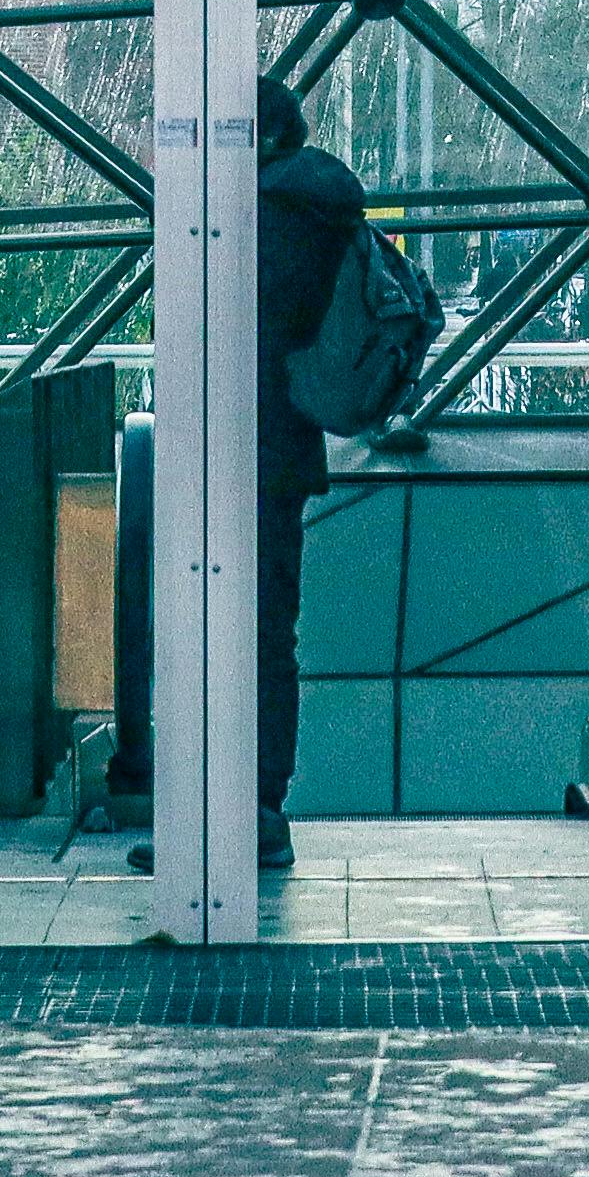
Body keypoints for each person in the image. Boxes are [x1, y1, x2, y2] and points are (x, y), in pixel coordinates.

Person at [247, 81, 371, 873]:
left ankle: (238, 803)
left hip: (236, 448)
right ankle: (263, 801)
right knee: (271, 634)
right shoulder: (322, 207)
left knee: (230, 633)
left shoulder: (259, 216)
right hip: (287, 451)